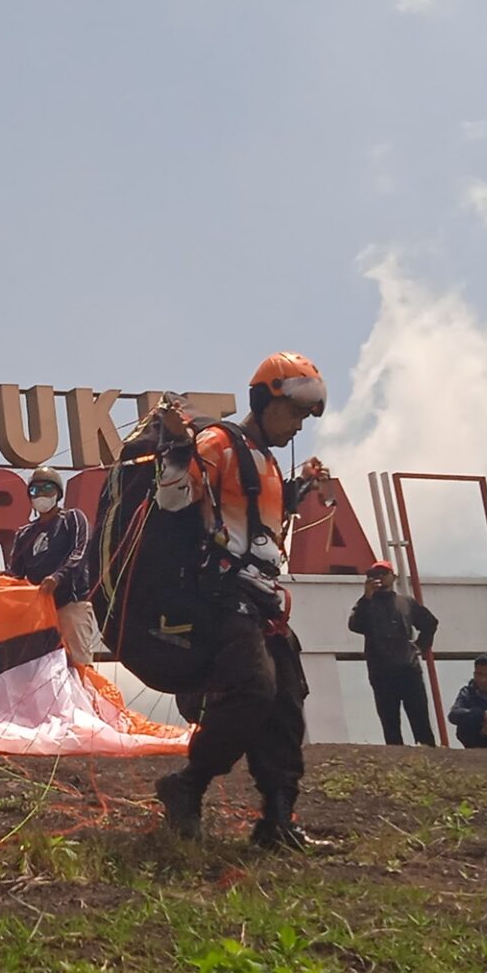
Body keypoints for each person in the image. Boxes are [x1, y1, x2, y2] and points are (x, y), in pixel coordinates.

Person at [150, 352, 333, 850]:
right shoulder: (219, 443)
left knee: (288, 703)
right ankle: (187, 785)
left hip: (266, 601)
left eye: (303, 418)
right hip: (225, 597)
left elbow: (253, 521)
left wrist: (299, 492)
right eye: (293, 413)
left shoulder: (268, 462)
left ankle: (277, 819)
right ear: (264, 399)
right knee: (254, 690)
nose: (297, 426)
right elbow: (171, 501)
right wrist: (175, 448)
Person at [6, 465, 96, 669]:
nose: (41, 495)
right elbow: (16, 573)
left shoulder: (72, 519)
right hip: (39, 611)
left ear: (58, 493)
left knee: (78, 663)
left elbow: (79, 553)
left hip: (70, 605)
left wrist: (58, 577)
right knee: (42, 669)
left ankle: (85, 700)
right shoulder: (25, 534)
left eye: (47, 489)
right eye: (35, 491)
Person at [347, 560, 439, 746]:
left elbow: (430, 623)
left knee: (420, 717)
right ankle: (395, 760)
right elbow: (355, 625)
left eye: (383, 573)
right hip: (381, 671)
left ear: (393, 576)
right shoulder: (366, 603)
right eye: (373, 575)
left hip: (408, 668)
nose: (378, 578)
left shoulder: (406, 602)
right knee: (390, 722)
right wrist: (366, 597)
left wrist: (420, 647)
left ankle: (430, 753)